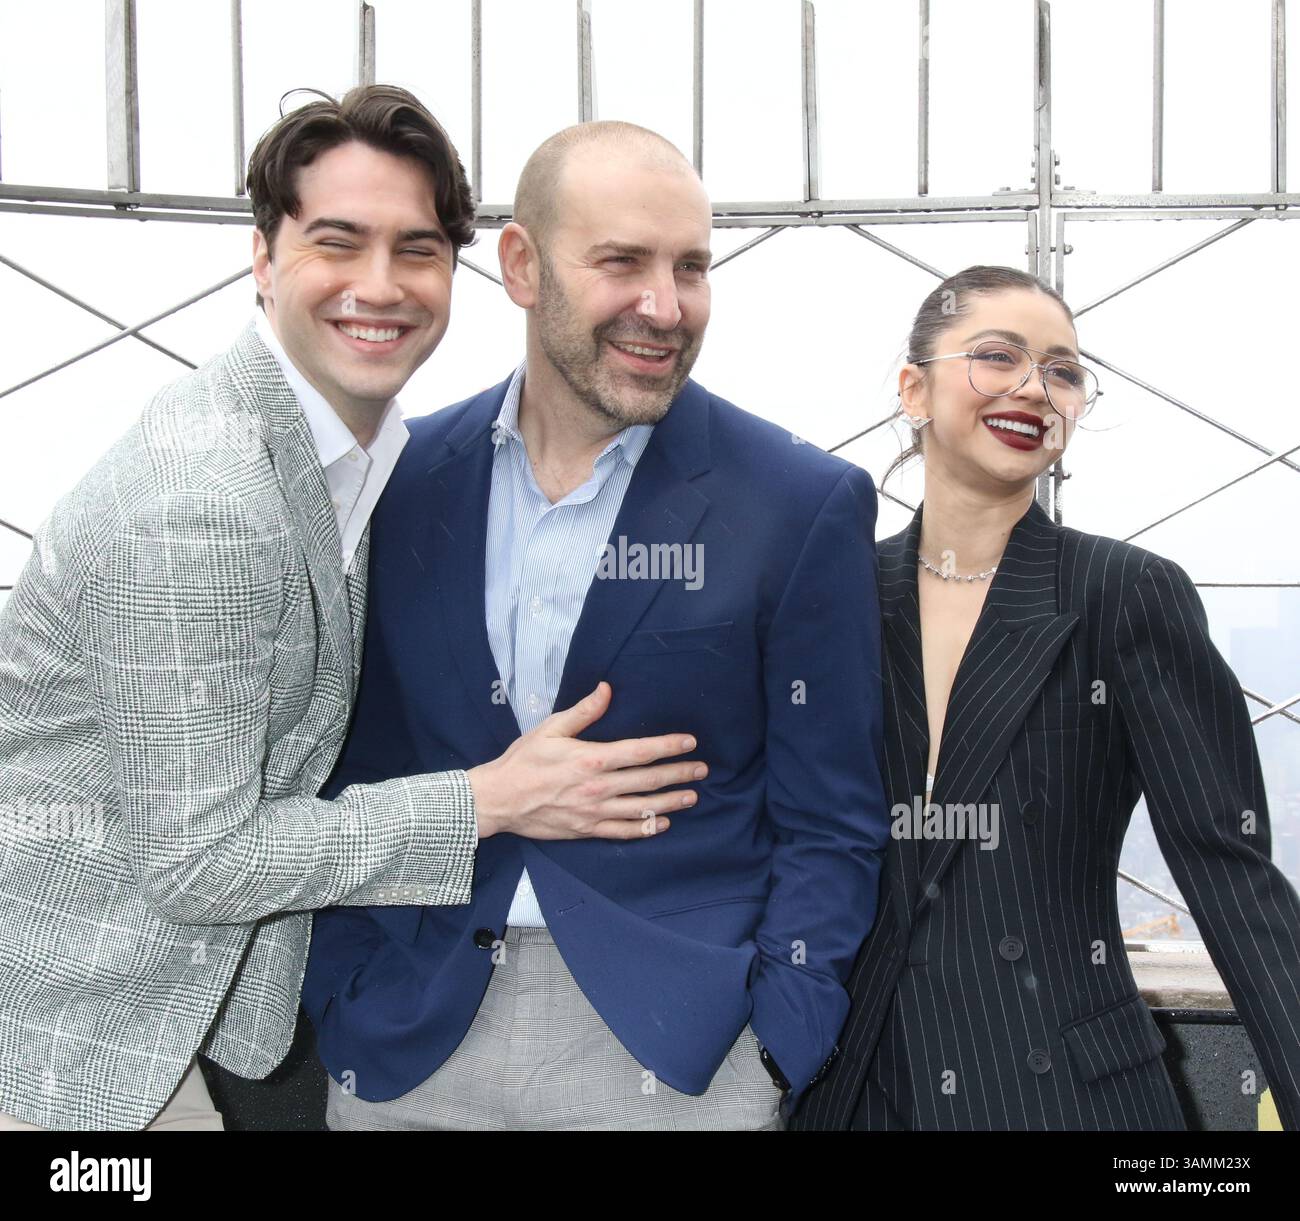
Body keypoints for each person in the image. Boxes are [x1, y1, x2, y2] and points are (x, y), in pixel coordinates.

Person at [0, 87, 702, 1132]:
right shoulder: (204, 499)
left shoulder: (358, 461)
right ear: (262, 257)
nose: (381, 286)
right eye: (340, 242)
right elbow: (200, 859)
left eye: (415, 250)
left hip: (239, 1032)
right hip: (100, 1058)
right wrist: (489, 799)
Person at [302, 120, 890, 1131]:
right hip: (407, 1044)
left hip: (675, 1064)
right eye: (622, 262)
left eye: (692, 268)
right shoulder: (392, 484)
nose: (665, 307)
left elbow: (832, 819)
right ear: (523, 266)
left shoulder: (799, 502)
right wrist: (345, 991)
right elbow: (349, 764)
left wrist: (775, 1047)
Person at [792, 265, 1300, 1131]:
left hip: (1063, 1090)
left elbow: (1228, 866)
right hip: (857, 1086)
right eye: (999, 357)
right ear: (914, 387)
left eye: (1063, 371)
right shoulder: (833, 593)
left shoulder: (1123, 592)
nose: (1036, 387)